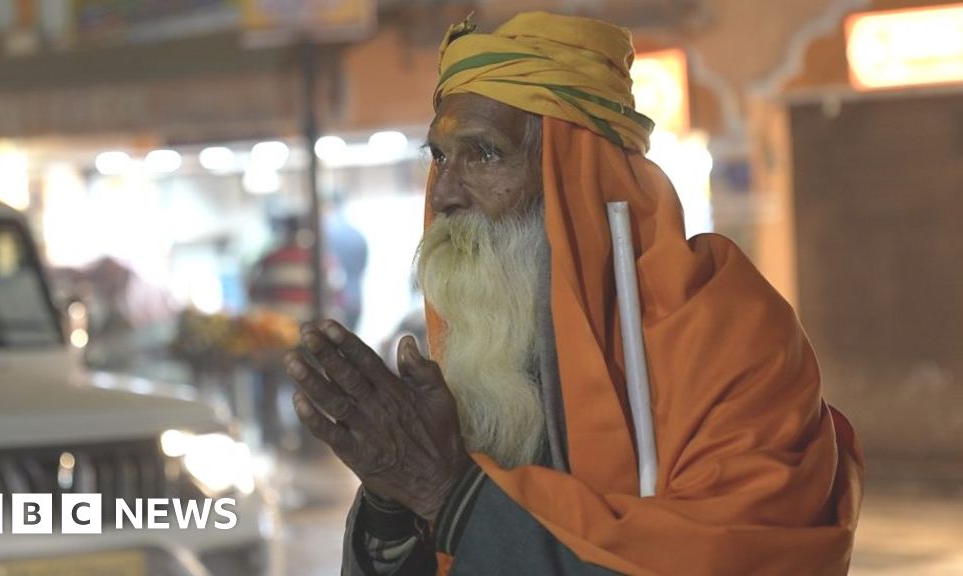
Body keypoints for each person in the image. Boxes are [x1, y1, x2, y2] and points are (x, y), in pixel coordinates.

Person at [284, 11, 862, 575]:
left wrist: (447, 494)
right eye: (439, 156)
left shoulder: (728, 328)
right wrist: (391, 502)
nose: (444, 195)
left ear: (575, 174)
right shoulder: (485, 343)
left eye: (484, 154)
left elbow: (743, 555)